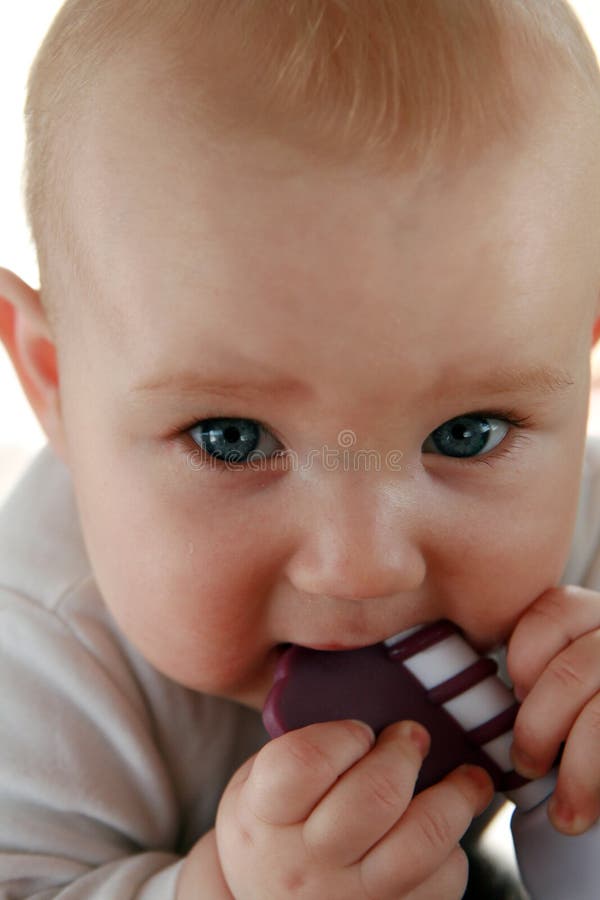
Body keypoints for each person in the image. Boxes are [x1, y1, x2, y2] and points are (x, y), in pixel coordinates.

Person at [0, 0, 600, 896]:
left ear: (581, 363)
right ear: (54, 380)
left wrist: (583, 820)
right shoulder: (36, 655)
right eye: (231, 439)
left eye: (466, 434)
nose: (361, 567)